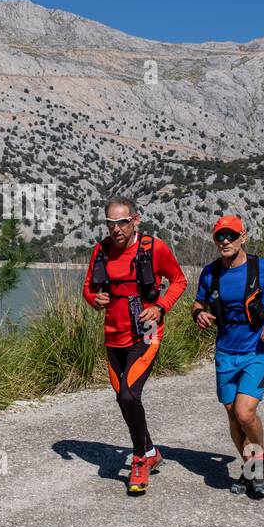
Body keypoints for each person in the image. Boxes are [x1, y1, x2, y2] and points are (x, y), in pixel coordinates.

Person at [191, 215, 264, 498]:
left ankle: (260, 461)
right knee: (232, 417)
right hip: (226, 353)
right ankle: (250, 467)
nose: (225, 241)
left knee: (244, 412)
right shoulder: (210, 273)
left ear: (243, 237)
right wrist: (198, 314)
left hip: (257, 351)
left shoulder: (262, 268)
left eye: (230, 235)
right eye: (219, 236)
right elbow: (198, 302)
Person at [82, 197, 187, 495]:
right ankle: (151, 450)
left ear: (135, 220)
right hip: (112, 333)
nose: (116, 229)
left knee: (129, 395)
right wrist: (95, 300)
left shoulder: (154, 249)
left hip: (147, 332)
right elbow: (88, 288)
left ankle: (139, 459)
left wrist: (161, 306)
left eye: (122, 222)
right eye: (110, 223)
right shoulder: (100, 250)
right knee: (123, 398)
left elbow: (179, 280)